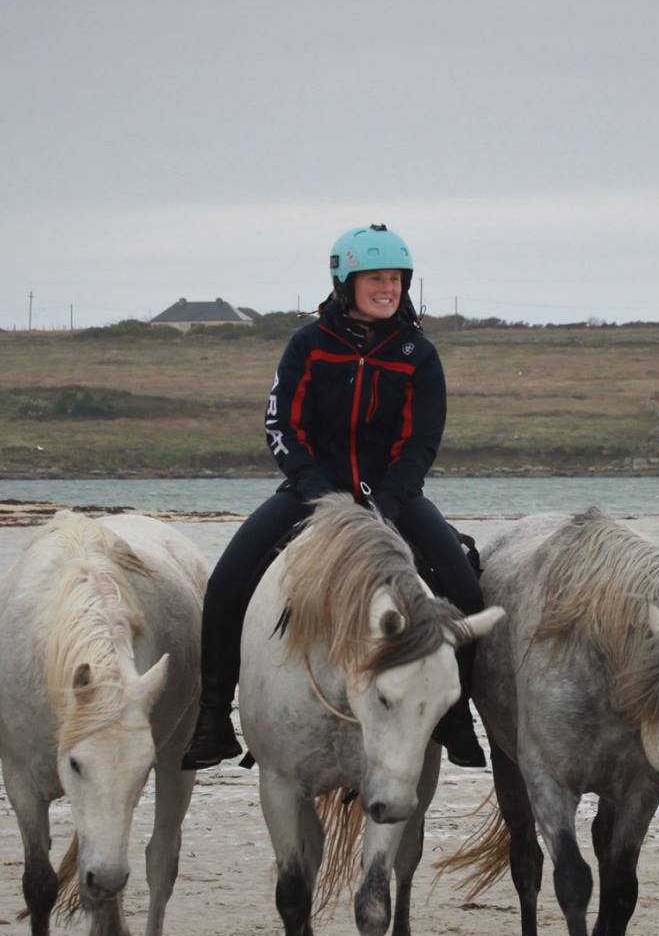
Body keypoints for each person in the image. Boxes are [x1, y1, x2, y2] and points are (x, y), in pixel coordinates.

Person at [180, 223, 487, 771]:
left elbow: (421, 440)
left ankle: (456, 712)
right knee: (229, 581)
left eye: (395, 279)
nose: (387, 288)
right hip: (310, 491)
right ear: (346, 283)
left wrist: (387, 504)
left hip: (393, 496)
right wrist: (319, 492)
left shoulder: (419, 353)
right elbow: (281, 427)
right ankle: (213, 716)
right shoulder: (309, 344)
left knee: (465, 589)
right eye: (375, 279)